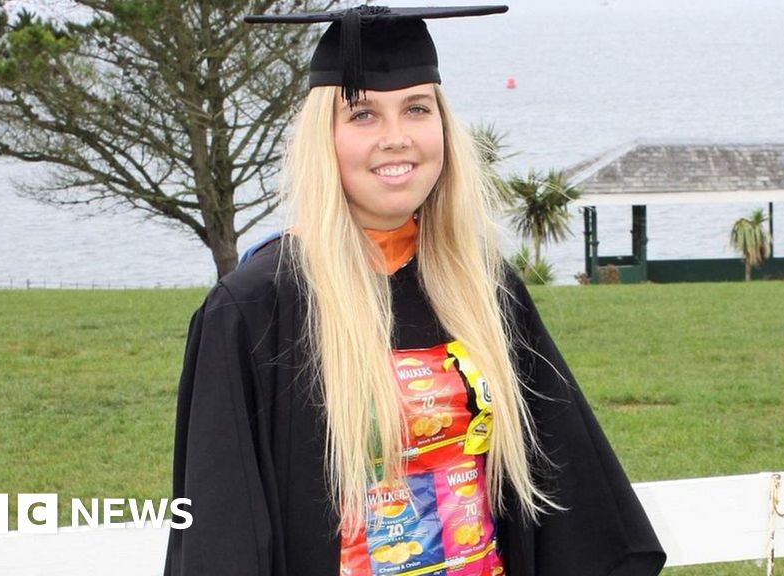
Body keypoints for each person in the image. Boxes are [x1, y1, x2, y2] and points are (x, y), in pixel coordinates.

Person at [165, 5, 666, 576]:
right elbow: (219, 526)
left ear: (444, 127)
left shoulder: (481, 285)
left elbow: (573, 491)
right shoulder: (256, 308)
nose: (396, 138)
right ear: (323, 138)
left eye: (417, 109)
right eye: (362, 115)